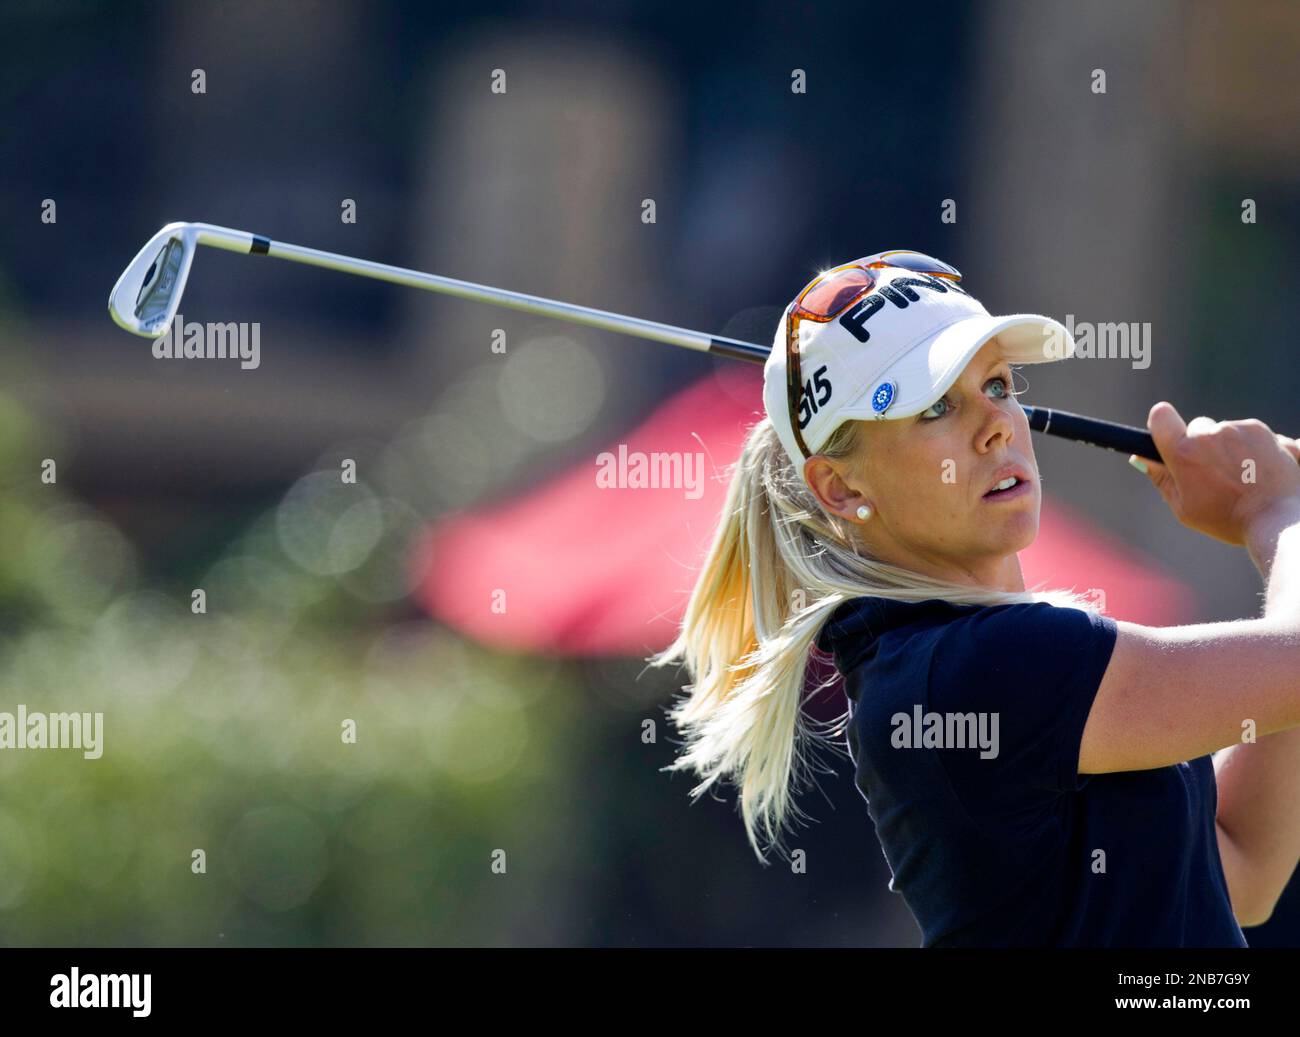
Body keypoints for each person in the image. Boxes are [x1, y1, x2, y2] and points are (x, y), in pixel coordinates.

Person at [648, 251, 1300, 947]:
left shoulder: (987, 656)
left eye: (997, 383)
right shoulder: (977, 666)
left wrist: (1283, 519)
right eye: (936, 407)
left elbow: (1245, 869)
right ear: (841, 488)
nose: (996, 424)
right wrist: (1274, 511)